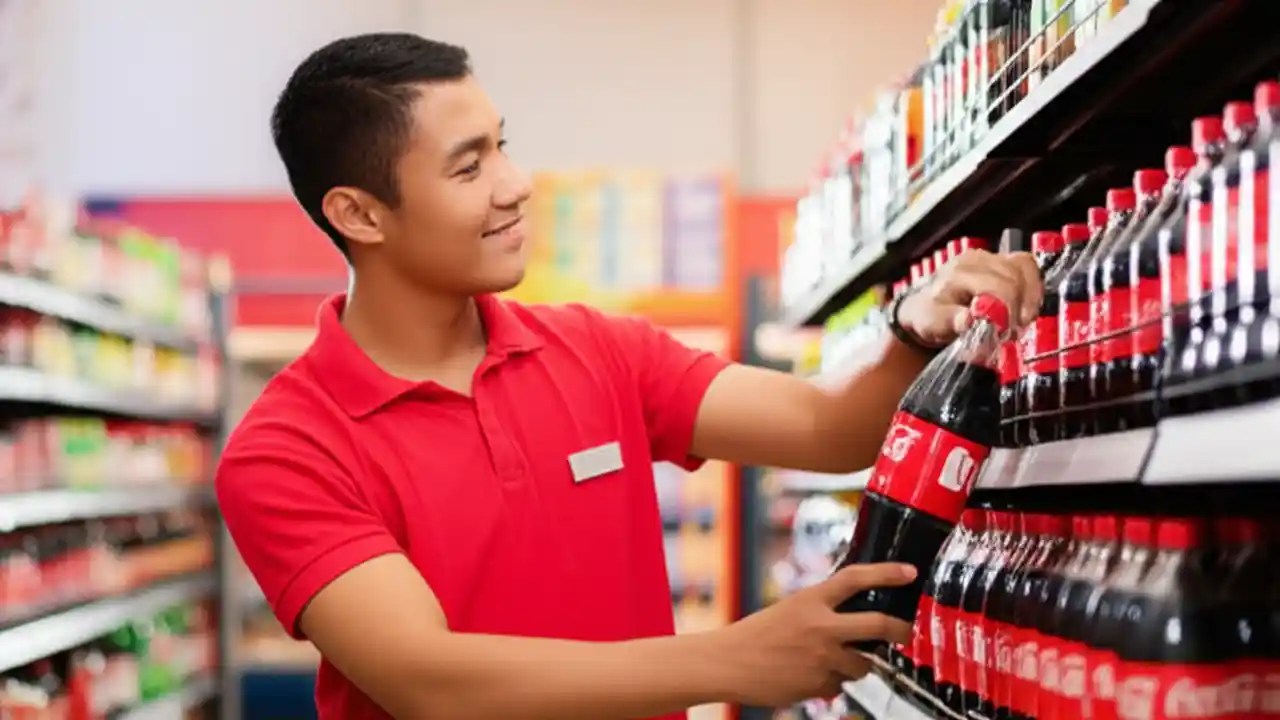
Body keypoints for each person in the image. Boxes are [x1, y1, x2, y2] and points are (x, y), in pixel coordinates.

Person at [217, 32, 1043, 720]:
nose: (516, 185)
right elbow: (428, 680)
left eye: (502, 145)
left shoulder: (595, 351)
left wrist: (911, 324)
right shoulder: (286, 450)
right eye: (468, 168)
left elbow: (830, 428)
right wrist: (731, 659)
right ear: (359, 213)